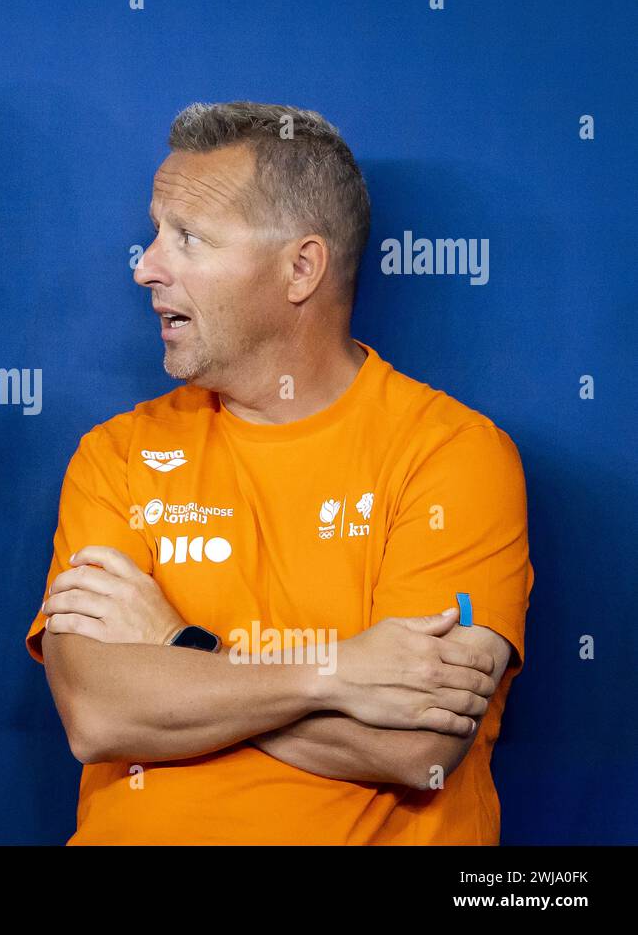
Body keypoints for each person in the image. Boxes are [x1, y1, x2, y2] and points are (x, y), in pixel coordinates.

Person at [28, 101, 532, 844]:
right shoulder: (119, 455)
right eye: (154, 233)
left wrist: (181, 652)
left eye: (188, 238)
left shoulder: (453, 454)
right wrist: (337, 675)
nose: (145, 267)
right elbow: (100, 715)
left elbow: (415, 747)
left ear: (301, 268)